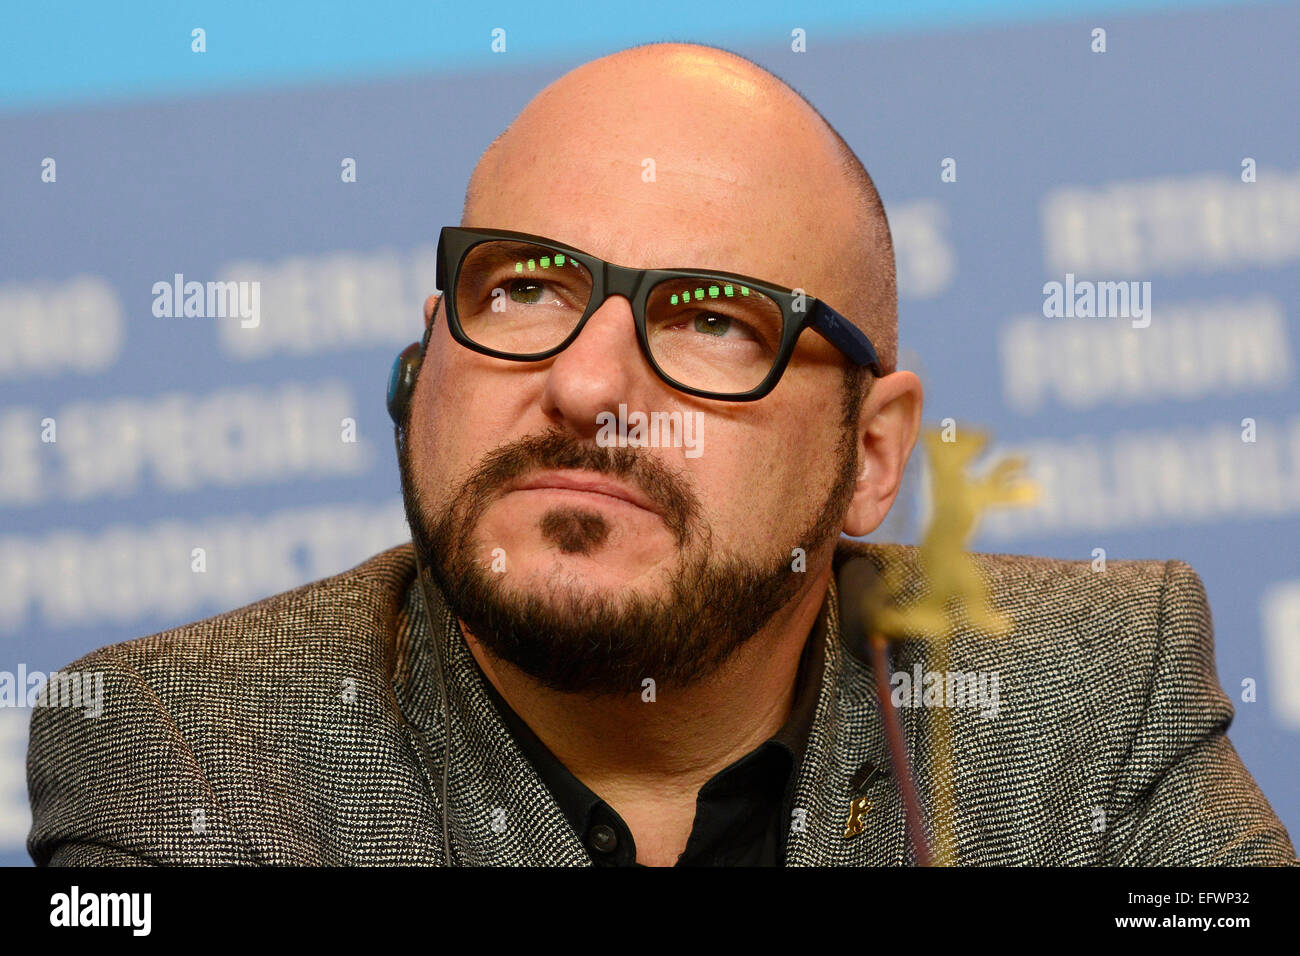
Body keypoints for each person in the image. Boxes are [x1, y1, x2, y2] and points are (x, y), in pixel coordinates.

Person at [27, 42, 1296, 867]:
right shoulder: (187, 753)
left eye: (709, 320)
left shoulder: (1086, 691)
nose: (583, 387)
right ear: (428, 360)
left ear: (869, 452)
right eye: (522, 291)